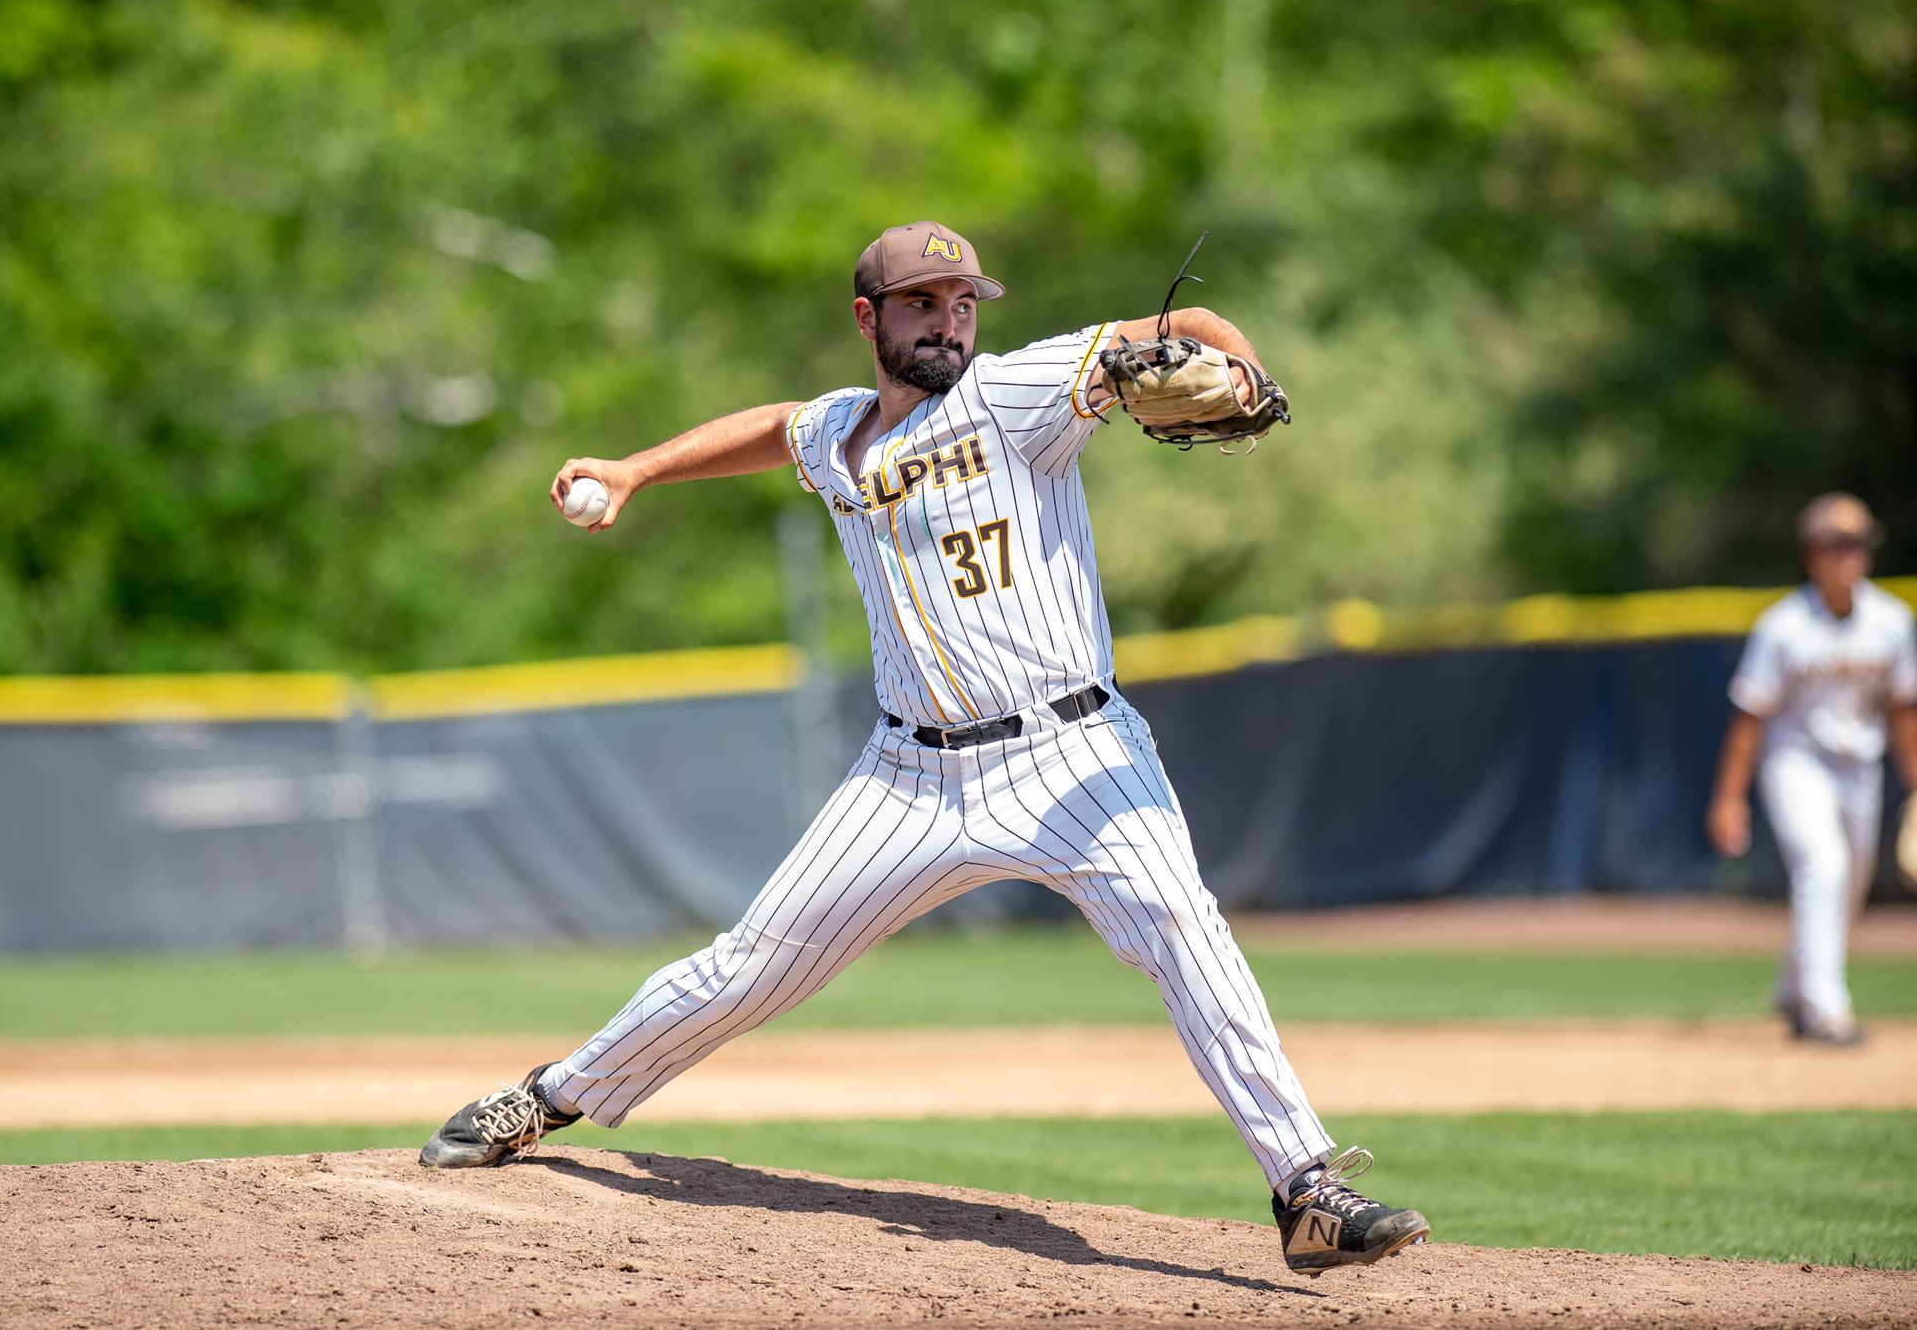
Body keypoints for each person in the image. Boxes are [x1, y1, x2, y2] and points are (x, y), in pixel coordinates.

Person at [419, 221, 1429, 1274]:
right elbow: (777, 427)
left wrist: (1247, 373)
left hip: (1072, 755)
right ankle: (546, 1097)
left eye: (962, 303)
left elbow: (1200, 327)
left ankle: (1306, 1190)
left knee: (1180, 922)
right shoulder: (840, 434)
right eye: (921, 304)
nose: (949, 322)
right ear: (868, 319)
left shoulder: (1016, 392)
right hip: (906, 776)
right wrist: (633, 469)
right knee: (747, 968)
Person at [1707, 493, 1917, 1045]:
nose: (1850, 554)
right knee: (1823, 867)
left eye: (1859, 543)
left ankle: (1793, 987)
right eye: (1836, 544)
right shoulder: (1783, 626)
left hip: (1860, 766)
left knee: (1852, 885)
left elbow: (1902, 710)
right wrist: (1729, 798)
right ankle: (1825, 1009)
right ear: (1810, 555)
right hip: (1795, 762)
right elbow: (1749, 717)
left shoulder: (1892, 621)